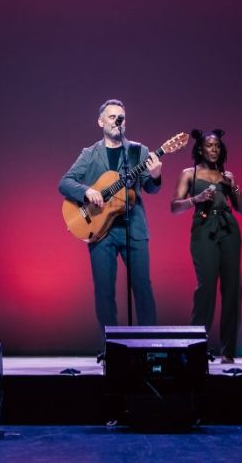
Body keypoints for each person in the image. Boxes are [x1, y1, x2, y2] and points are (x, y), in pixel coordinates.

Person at [59, 99, 162, 331]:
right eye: (112, 116)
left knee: (143, 287)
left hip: (133, 227)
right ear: (101, 121)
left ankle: (152, 347)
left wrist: (155, 175)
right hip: (100, 229)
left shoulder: (138, 151)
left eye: (120, 117)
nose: (117, 121)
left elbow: (150, 188)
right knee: (104, 291)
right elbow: (64, 183)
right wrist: (87, 191)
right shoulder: (90, 153)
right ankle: (111, 348)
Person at [171, 129, 242, 363]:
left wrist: (233, 187)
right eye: (210, 146)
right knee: (206, 289)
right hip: (204, 229)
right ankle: (196, 348)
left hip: (229, 230)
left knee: (232, 289)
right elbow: (174, 206)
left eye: (217, 146)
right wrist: (196, 199)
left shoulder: (227, 175)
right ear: (200, 149)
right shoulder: (189, 173)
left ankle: (228, 351)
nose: (214, 149)